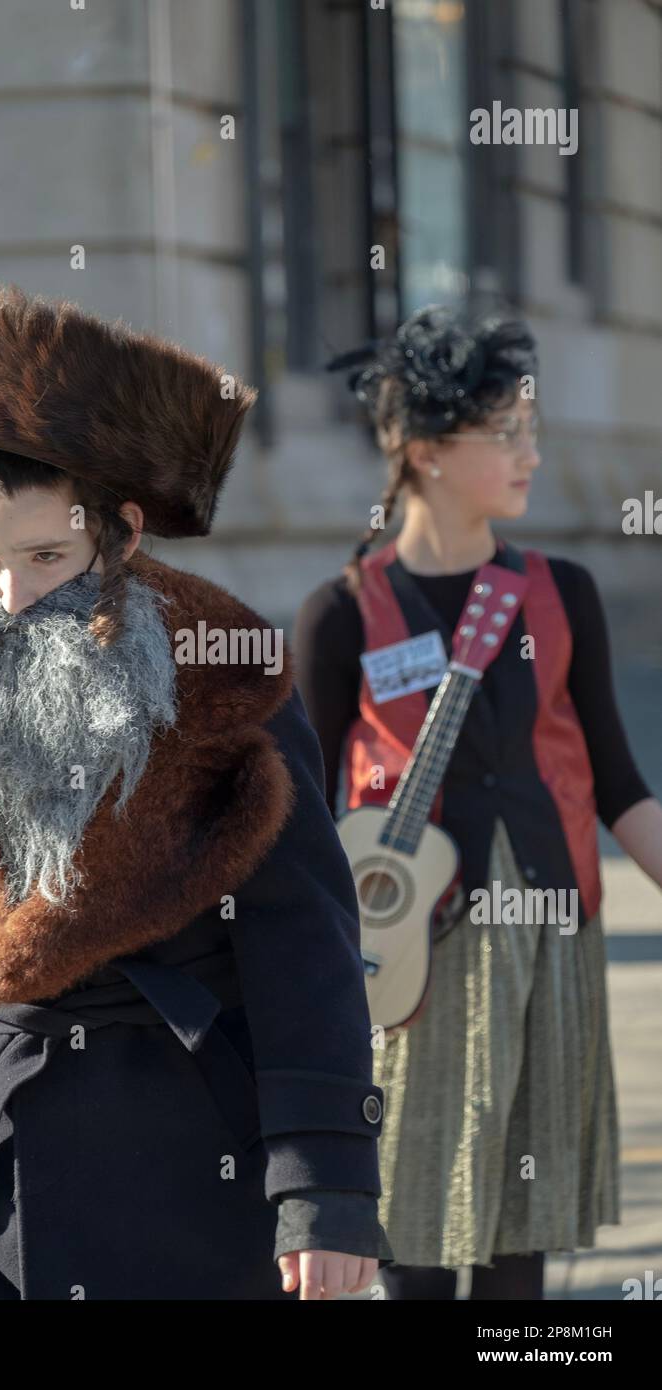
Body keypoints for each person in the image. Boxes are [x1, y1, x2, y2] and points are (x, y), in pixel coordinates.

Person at [0, 275, 396, 1302]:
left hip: (181, 1156)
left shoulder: (221, 679)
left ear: (120, 532)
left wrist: (324, 1191)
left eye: (45, 555)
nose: (9, 594)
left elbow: (304, 946)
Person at [292, 303, 662, 1301]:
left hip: (547, 937)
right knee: (410, 1231)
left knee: (516, 1239)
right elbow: (299, 818)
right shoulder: (339, 613)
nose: (528, 454)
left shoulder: (561, 590)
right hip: (411, 961)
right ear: (421, 450)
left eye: (528, 430)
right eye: (502, 433)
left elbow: (620, 784)